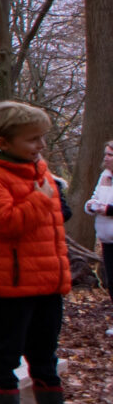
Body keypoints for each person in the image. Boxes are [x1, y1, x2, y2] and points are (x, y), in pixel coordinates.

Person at [0, 103, 85, 404]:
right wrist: (40, 199)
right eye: (32, 140)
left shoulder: (38, 171)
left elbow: (56, 215)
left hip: (47, 279)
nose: (40, 146)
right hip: (14, 283)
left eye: (42, 138)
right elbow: (4, 223)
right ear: (4, 142)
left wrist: (51, 198)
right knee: (6, 350)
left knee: (45, 350)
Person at [89, 141, 113, 335]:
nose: (106, 158)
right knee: (110, 280)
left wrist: (107, 209)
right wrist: (91, 205)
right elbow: (95, 197)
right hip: (106, 237)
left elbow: (107, 206)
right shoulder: (104, 176)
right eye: (105, 154)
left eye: (110, 155)